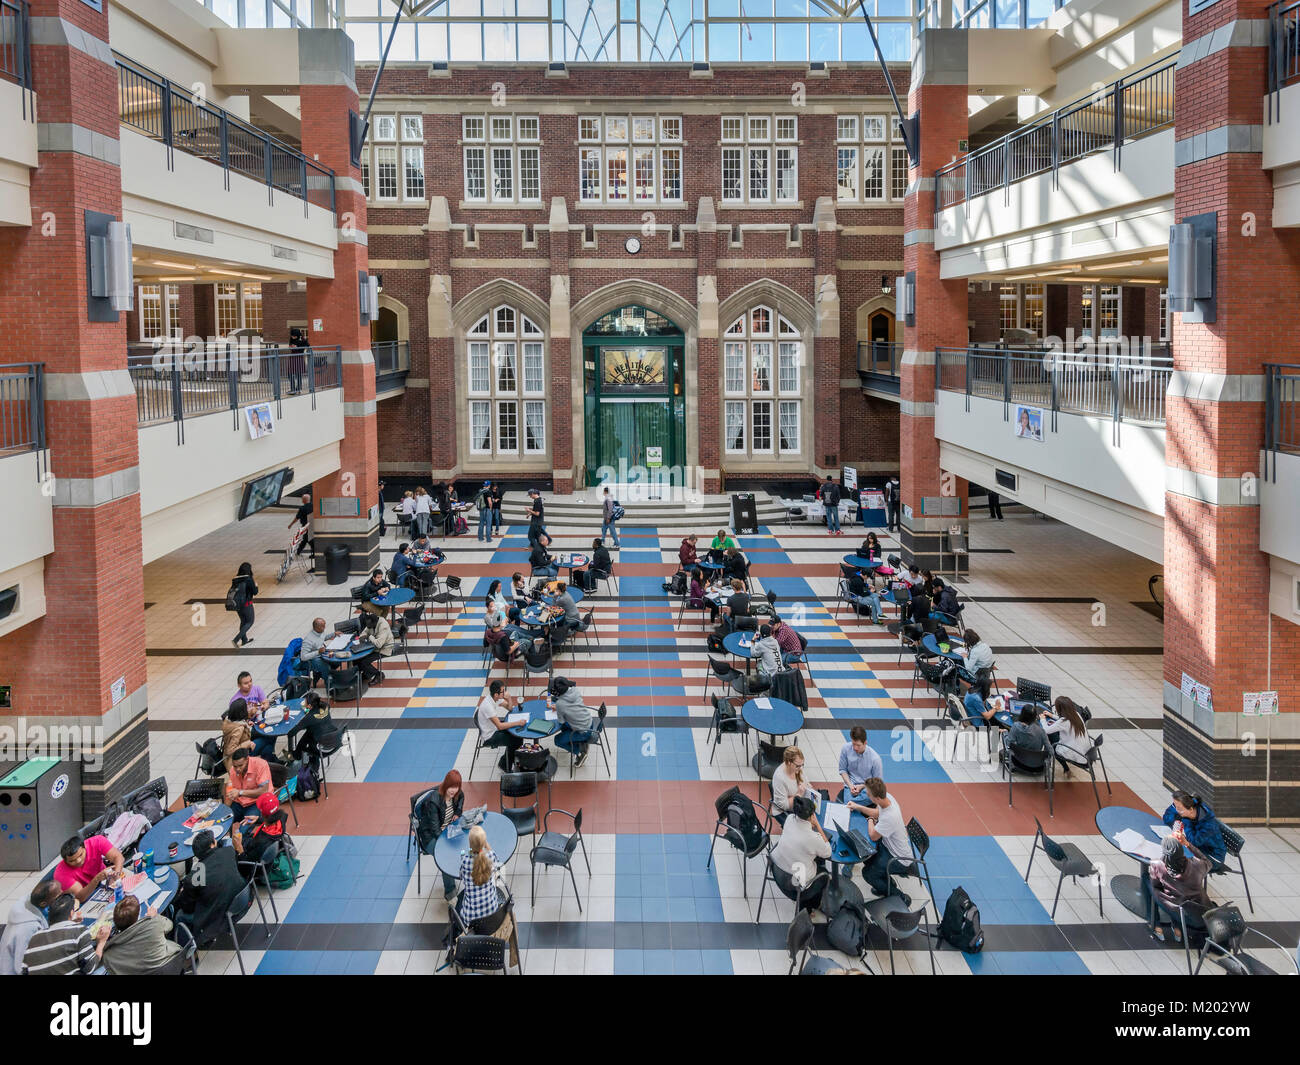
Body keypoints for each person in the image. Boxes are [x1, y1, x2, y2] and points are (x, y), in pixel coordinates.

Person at [175, 830, 245, 946]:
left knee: (179, 916)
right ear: (212, 845)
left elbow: (188, 908)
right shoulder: (228, 851)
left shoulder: (195, 876)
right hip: (241, 899)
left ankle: (186, 953)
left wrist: (184, 893)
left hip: (219, 915)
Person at [852, 778, 913, 903]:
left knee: (868, 873)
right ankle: (886, 884)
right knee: (868, 857)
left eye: (869, 795)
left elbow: (873, 835)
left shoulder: (890, 816)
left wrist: (870, 820)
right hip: (889, 846)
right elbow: (877, 812)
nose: (867, 796)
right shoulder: (888, 798)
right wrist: (857, 806)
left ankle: (901, 898)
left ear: (877, 799)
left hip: (899, 858)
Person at [1145, 835, 1214, 944]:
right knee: (1178, 892)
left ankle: (1155, 923)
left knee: (1147, 880)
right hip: (1202, 914)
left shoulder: (1158, 865)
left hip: (1176, 909)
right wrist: (1188, 844)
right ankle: (1176, 928)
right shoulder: (1197, 865)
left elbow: (1155, 885)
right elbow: (1208, 862)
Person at [20, 892, 104, 975]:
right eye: (77, 910)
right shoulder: (79, 930)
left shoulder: (35, 937)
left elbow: (25, 971)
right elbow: (90, 967)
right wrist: (101, 942)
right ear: (71, 914)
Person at [769, 795, 830, 908]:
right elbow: (828, 852)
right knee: (824, 874)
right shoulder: (813, 838)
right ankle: (811, 908)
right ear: (812, 816)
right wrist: (817, 825)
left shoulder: (789, 819)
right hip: (795, 886)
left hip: (777, 870)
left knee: (812, 856)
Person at [99, 896, 182, 976]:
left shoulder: (108, 956)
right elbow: (169, 925)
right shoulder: (154, 923)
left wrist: (101, 941)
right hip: (172, 967)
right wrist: (154, 917)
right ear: (138, 916)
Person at [417, 770, 466, 899]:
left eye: (456, 787)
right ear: (445, 785)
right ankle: (450, 892)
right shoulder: (433, 801)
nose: (453, 790)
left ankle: (464, 875)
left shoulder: (457, 794)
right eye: (451, 786)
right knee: (447, 856)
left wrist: (458, 813)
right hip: (431, 837)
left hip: (447, 830)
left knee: (467, 844)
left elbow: (461, 797)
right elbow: (435, 830)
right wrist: (448, 843)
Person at [0, 881, 62, 975]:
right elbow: (21, 967)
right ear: (43, 903)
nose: (62, 896)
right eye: (57, 897)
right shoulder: (28, 929)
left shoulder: (32, 904)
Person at [1162, 790, 1227, 868]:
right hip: (1197, 849)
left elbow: (1193, 842)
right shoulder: (1186, 804)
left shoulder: (1208, 825)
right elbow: (1166, 816)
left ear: (1191, 810)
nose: (1176, 810)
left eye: (1179, 808)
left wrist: (1184, 820)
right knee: (1169, 852)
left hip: (1212, 858)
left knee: (1176, 862)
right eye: (1175, 806)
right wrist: (1177, 820)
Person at [52, 834, 124, 902]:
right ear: (65, 861)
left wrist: (116, 875)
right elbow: (80, 897)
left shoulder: (97, 841)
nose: (78, 861)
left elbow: (118, 857)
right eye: (72, 861)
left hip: (105, 880)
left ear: (85, 847)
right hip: (88, 894)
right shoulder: (60, 873)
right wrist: (97, 879)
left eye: (80, 855)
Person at [457, 825, 501, 925]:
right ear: (484, 842)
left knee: (459, 901)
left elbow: (461, 876)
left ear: (470, 844)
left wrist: (467, 854)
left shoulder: (465, 861)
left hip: (471, 919)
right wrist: (486, 847)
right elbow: (497, 868)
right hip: (492, 912)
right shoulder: (491, 856)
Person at [550, 676, 597, 768]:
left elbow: (561, 721)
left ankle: (579, 752)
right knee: (564, 729)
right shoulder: (575, 690)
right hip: (589, 722)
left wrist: (558, 709)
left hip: (582, 731)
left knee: (557, 740)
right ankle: (579, 742)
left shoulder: (560, 704)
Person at [476, 679, 524, 762]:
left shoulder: (494, 698)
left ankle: (509, 758)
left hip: (494, 727)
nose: (505, 692)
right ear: (496, 694)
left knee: (516, 733)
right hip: (490, 735)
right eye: (503, 691)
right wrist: (518, 722)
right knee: (517, 740)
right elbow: (500, 726)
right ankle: (505, 764)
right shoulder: (488, 706)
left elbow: (510, 708)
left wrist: (509, 698)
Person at [239, 792, 291, 866]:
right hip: (264, 852)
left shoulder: (261, 842)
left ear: (262, 813)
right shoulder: (281, 818)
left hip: (254, 866)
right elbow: (270, 819)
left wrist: (239, 848)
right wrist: (257, 819)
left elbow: (247, 866)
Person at [1042, 695, 1091, 772]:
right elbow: (1064, 720)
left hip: (1076, 755)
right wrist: (1052, 715)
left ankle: (1065, 768)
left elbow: (1045, 730)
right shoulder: (1076, 714)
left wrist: (1042, 719)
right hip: (1086, 753)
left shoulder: (1063, 722)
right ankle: (1066, 769)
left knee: (1051, 741)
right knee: (1055, 735)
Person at [771, 747, 820, 823]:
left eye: (802, 765)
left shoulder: (797, 768)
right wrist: (798, 794)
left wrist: (810, 789)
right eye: (798, 766)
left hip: (800, 804)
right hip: (784, 812)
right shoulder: (780, 778)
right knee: (809, 826)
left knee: (816, 817)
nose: (800, 768)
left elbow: (806, 782)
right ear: (788, 762)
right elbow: (784, 805)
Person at [225, 748, 272, 820]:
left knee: (243, 829)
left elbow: (263, 791)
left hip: (256, 802)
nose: (238, 769)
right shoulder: (233, 770)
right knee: (223, 820)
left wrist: (240, 792)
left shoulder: (261, 765)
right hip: (239, 803)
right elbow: (229, 791)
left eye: (240, 765)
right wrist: (225, 809)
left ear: (247, 759)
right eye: (235, 766)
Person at [224, 698, 277, 762]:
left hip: (245, 740)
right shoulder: (238, 730)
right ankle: (270, 761)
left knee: (268, 747)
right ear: (242, 712)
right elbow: (230, 751)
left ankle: (270, 761)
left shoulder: (229, 721)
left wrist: (247, 722)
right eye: (246, 708)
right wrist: (247, 744)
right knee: (269, 737)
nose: (247, 708)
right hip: (243, 754)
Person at [838, 726, 883, 798]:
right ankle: (855, 805)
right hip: (850, 786)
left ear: (865, 743)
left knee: (870, 797)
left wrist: (862, 786)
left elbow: (878, 782)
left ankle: (852, 805)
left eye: (858, 745)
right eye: (853, 744)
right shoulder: (845, 749)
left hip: (867, 788)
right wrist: (850, 786)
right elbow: (842, 770)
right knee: (850, 800)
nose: (855, 748)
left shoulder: (875, 759)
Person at [1003, 703, 1050, 772]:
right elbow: (1049, 749)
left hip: (1019, 761)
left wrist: (1006, 733)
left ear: (1022, 714)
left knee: (1003, 736)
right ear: (1035, 716)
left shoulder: (1016, 727)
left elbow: (1009, 743)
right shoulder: (1041, 731)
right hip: (1037, 764)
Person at [357, 606, 394, 685]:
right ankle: (367, 674)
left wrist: (370, 636)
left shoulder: (383, 626)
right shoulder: (370, 622)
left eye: (370, 626)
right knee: (357, 658)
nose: (368, 627)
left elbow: (379, 644)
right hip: (372, 647)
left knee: (364, 662)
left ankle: (378, 674)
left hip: (384, 649)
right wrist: (362, 636)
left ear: (374, 623)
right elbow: (365, 632)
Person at [230, 561, 258, 646]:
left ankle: (244, 640)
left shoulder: (235, 579)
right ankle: (236, 639)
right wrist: (256, 585)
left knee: (243, 620)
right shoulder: (249, 579)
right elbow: (255, 592)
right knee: (250, 621)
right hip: (247, 604)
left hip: (238, 604)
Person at [287, 490, 314, 570]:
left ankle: (300, 551)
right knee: (307, 539)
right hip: (313, 525)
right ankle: (302, 551)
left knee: (307, 539)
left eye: (302, 499)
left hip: (306, 526)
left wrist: (291, 524)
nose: (301, 500)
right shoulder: (313, 506)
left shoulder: (302, 508)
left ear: (304, 500)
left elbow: (297, 517)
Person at [300, 617, 331, 685]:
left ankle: (321, 674)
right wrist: (318, 652)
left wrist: (334, 634)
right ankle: (329, 686)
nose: (325, 627)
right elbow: (303, 657)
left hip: (321, 654)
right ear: (316, 627)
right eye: (323, 626)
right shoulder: (308, 640)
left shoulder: (320, 632)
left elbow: (324, 637)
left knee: (335, 662)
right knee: (326, 667)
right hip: (312, 660)